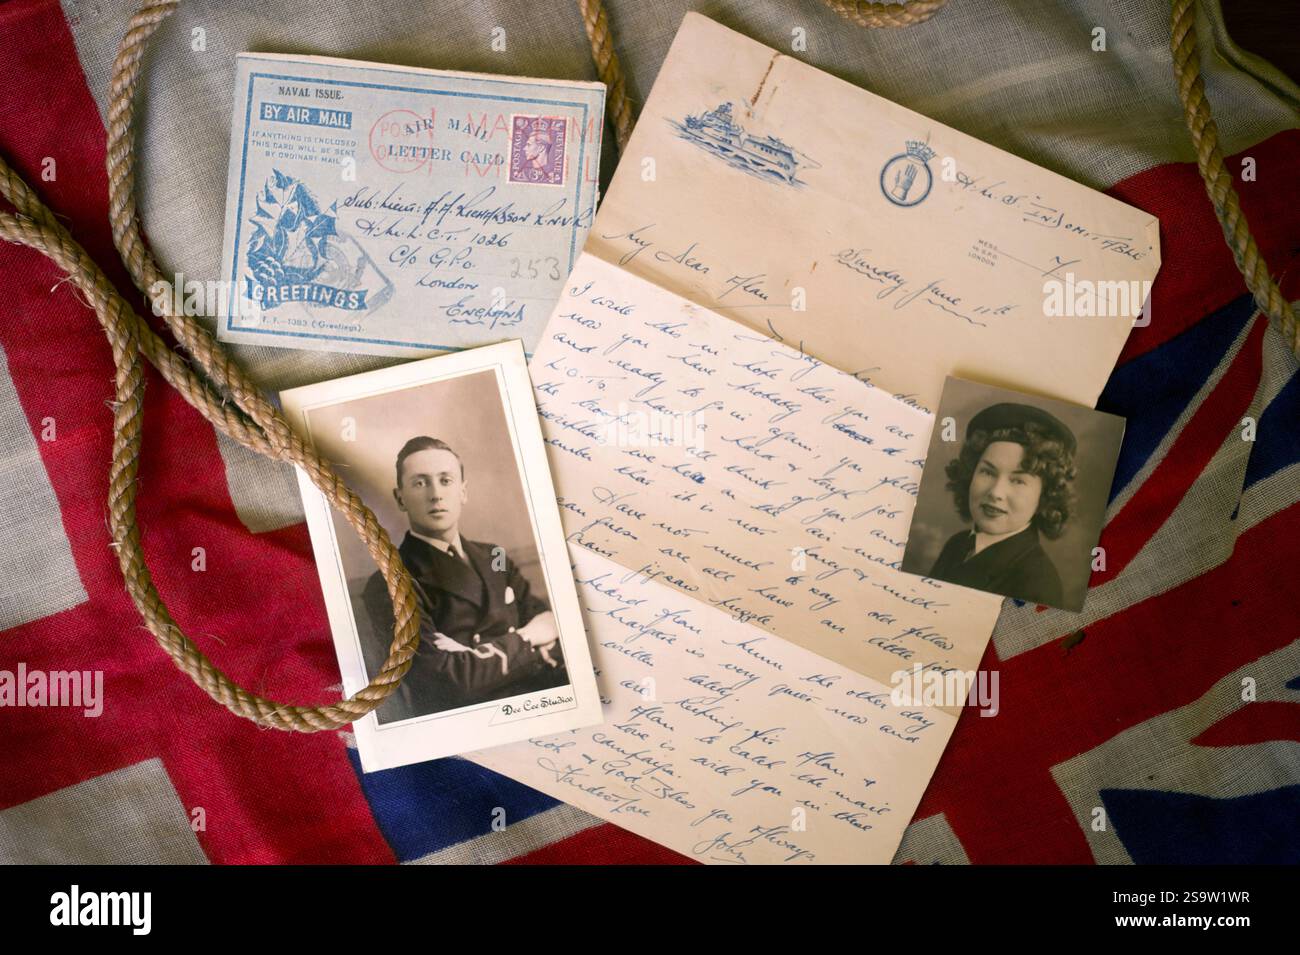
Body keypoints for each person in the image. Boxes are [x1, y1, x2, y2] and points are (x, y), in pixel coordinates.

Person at [359, 436, 566, 722]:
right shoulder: (390, 581)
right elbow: (448, 682)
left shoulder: (494, 555)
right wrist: (528, 636)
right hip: (475, 718)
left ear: (463, 491)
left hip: (541, 693)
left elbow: (552, 623)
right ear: (400, 498)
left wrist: (474, 655)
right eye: (420, 483)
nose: (435, 494)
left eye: (446, 480)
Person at [928, 402, 1077, 607]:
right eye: (987, 472)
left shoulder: (1039, 583)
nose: (996, 492)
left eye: (1018, 480)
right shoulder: (956, 545)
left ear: (1045, 496)